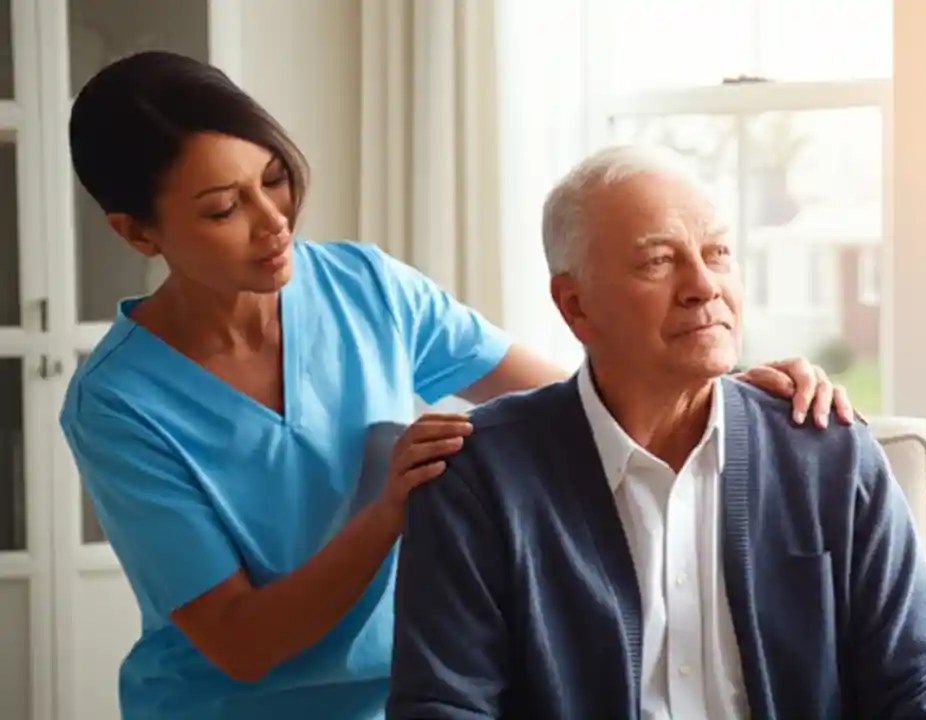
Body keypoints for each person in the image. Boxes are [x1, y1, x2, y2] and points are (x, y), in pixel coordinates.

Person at [58, 52, 858, 720]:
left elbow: (591, 400)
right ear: (137, 231)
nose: (274, 221)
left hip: (424, 694)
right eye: (224, 207)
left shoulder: (366, 287)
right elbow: (241, 642)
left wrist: (721, 383)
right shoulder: (119, 403)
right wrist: (387, 513)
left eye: (275, 177)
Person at [387, 145, 926, 719]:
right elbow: (443, 709)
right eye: (658, 261)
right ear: (575, 305)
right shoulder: (478, 479)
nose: (703, 287)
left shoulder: (827, 452)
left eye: (717, 254)